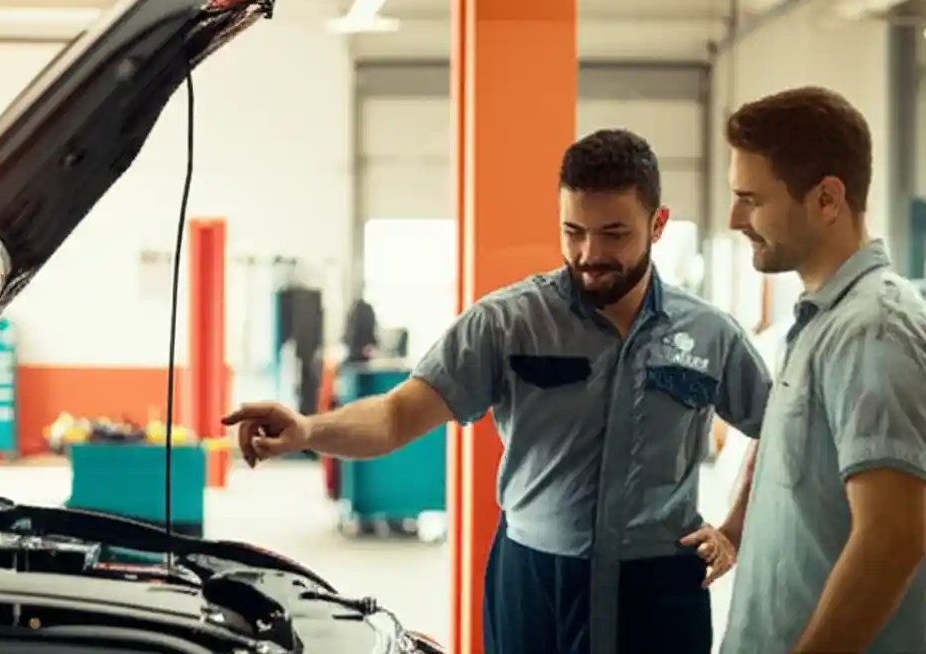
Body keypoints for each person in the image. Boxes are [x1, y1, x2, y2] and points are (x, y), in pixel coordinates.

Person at [224, 129, 773, 654]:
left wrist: (734, 530)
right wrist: (307, 429)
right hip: (537, 580)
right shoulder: (508, 323)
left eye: (613, 234)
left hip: (660, 585)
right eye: (573, 231)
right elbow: (396, 417)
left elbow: (778, 429)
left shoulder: (710, 334)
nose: (588, 254)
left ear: (657, 225)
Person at [718, 86, 926, 654]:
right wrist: (734, 528)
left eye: (751, 199)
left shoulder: (873, 332)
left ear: (827, 199)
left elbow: (893, 538)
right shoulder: (823, 319)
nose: (735, 218)